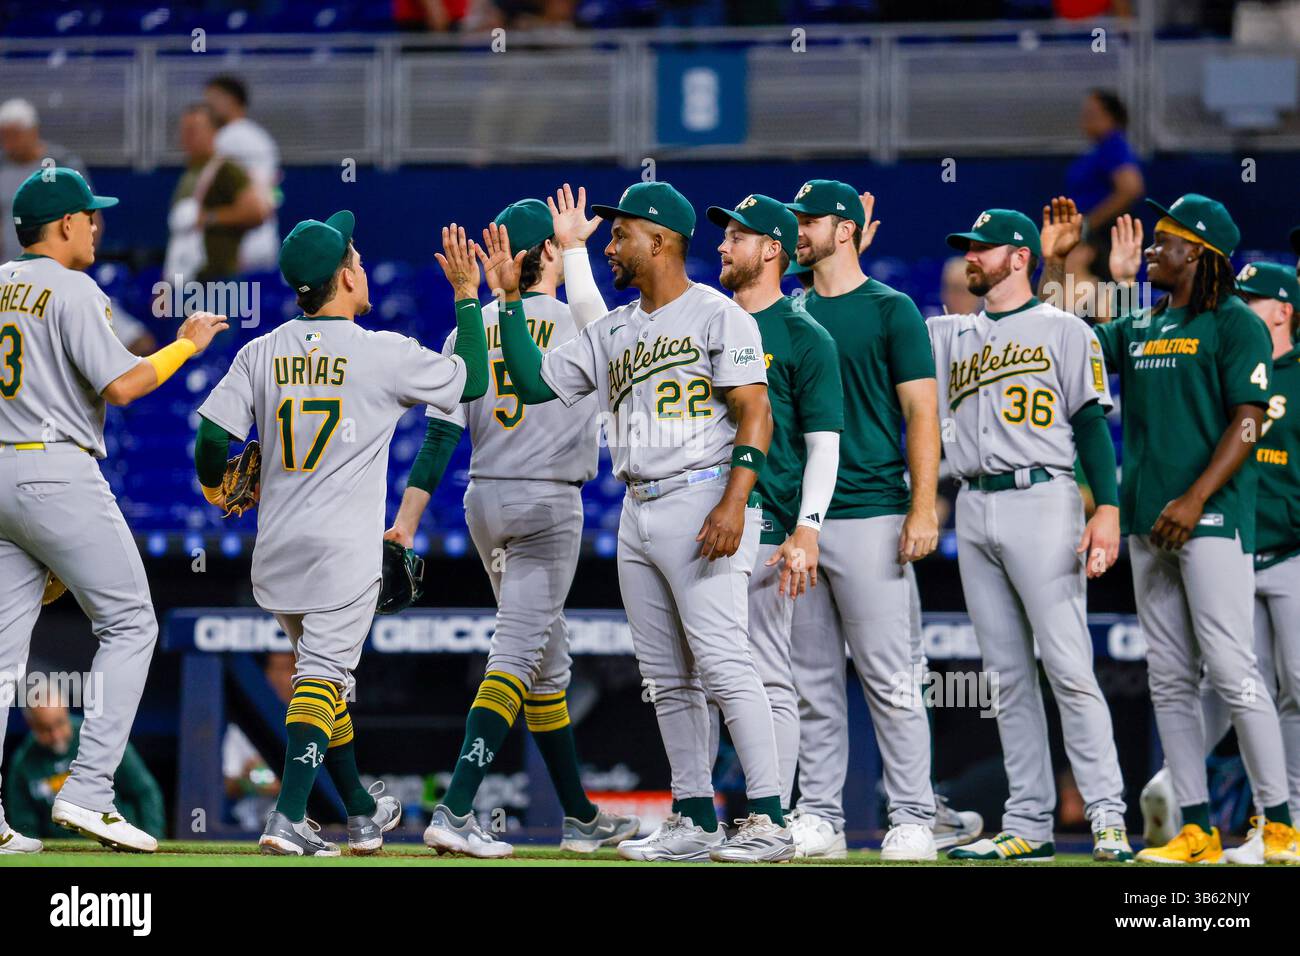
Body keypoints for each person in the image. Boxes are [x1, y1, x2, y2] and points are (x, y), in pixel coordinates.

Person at [495, 181, 793, 863]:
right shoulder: (616, 328)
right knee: (666, 676)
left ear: (659, 240)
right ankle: (692, 814)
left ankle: (770, 818)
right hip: (638, 506)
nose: (610, 244)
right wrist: (510, 300)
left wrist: (733, 501)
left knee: (723, 662)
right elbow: (536, 380)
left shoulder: (719, 316)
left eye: (621, 232)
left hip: (704, 495)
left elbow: (756, 413)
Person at [194, 211, 488, 856]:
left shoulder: (259, 351)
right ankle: (290, 816)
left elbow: (210, 441)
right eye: (355, 257)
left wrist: (223, 487)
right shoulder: (381, 350)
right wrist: (468, 295)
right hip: (343, 552)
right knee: (323, 679)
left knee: (325, 681)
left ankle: (358, 809)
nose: (362, 264)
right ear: (345, 276)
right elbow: (472, 378)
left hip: (277, 552)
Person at [387, 188, 637, 858]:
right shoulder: (582, 321)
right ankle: (457, 808)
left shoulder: (466, 328)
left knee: (546, 666)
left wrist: (405, 523)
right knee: (517, 655)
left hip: (483, 503)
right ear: (549, 252)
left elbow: (438, 440)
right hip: (548, 504)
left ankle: (581, 817)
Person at [0, 167, 227, 855]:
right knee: (131, 622)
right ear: (64, 224)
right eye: (88, 215)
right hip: (55, 467)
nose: (97, 225)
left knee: (2, 657)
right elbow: (124, 384)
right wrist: (187, 344)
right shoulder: (70, 288)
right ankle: (91, 791)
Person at [1096, 197, 1300, 864]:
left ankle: (1280, 826)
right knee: (1170, 681)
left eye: (1163, 243)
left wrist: (1196, 497)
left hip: (1208, 521)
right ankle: (1196, 828)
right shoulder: (1144, 323)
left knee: (1236, 673)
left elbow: (1248, 421)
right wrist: (1079, 266)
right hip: (1146, 524)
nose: (1152, 251)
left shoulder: (1235, 323)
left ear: (1199, 253)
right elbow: (1073, 346)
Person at [930, 206, 1131, 863]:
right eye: (969, 248)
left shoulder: (1065, 329)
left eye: (984, 249)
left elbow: (1093, 425)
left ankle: (1106, 816)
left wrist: (1107, 508)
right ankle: (1028, 822)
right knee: (1007, 678)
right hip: (974, 504)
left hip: (1042, 497)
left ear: (1019, 258)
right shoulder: (951, 335)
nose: (972, 258)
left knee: (1069, 667)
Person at [782, 179, 941, 862]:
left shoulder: (892, 309)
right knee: (811, 681)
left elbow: (922, 414)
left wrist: (924, 506)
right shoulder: (790, 310)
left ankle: (913, 816)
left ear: (844, 229)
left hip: (876, 513)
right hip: (803, 524)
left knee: (893, 679)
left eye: (809, 220)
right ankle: (820, 815)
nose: (798, 230)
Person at [707, 192, 843, 815]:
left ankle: (773, 818)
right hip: (698, 517)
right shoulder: (703, 317)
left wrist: (807, 531)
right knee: (692, 681)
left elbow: (823, 445)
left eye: (736, 237)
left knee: (767, 675)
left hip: (763, 523)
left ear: (771, 250)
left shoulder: (803, 335)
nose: (722, 246)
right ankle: (697, 817)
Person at [3, 698, 165, 841]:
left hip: (115, 841)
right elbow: (24, 825)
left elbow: (145, 791)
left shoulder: (99, 740)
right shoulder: (23, 762)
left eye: (59, 723)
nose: (56, 735)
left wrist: (151, 838)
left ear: (66, 710)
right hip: (62, 853)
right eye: (46, 729)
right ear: (31, 726)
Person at [163, 104, 271, 285]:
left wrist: (209, 217)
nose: (186, 138)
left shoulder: (226, 170)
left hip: (220, 282)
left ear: (213, 132)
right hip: (186, 279)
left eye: (193, 131)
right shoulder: (189, 173)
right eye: (184, 131)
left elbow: (257, 212)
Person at [204, 75, 282, 274]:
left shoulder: (226, 138)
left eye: (211, 101)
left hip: (239, 243)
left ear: (230, 100)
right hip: (265, 241)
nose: (207, 108)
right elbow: (272, 195)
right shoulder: (262, 138)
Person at [1064, 90, 1144, 281]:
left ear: (1111, 117)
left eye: (1092, 114)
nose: (1085, 120)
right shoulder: (1099, 149)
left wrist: (1089, 223)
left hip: (1103, 238)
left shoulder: (1114, 146)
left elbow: (1131, 188)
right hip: (1090, 235)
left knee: (1103, 296)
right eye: (1084, 114)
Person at [0, 99, 91, 265]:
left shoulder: (62, 164)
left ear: (33, 131)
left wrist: (76, 269)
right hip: (8, 274)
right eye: (4, 136)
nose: (8, 144)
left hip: (54, 271)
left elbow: (88, 220)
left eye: (14, 136)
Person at [223, 652, 295, 831]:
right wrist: (246, 780)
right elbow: (227, 786)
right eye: (273, 669)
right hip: (250, 819)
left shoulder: (315, 722)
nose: (278, 677)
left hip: (301, 817)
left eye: (286, 669)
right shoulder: (245, 724)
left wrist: (286, 785)